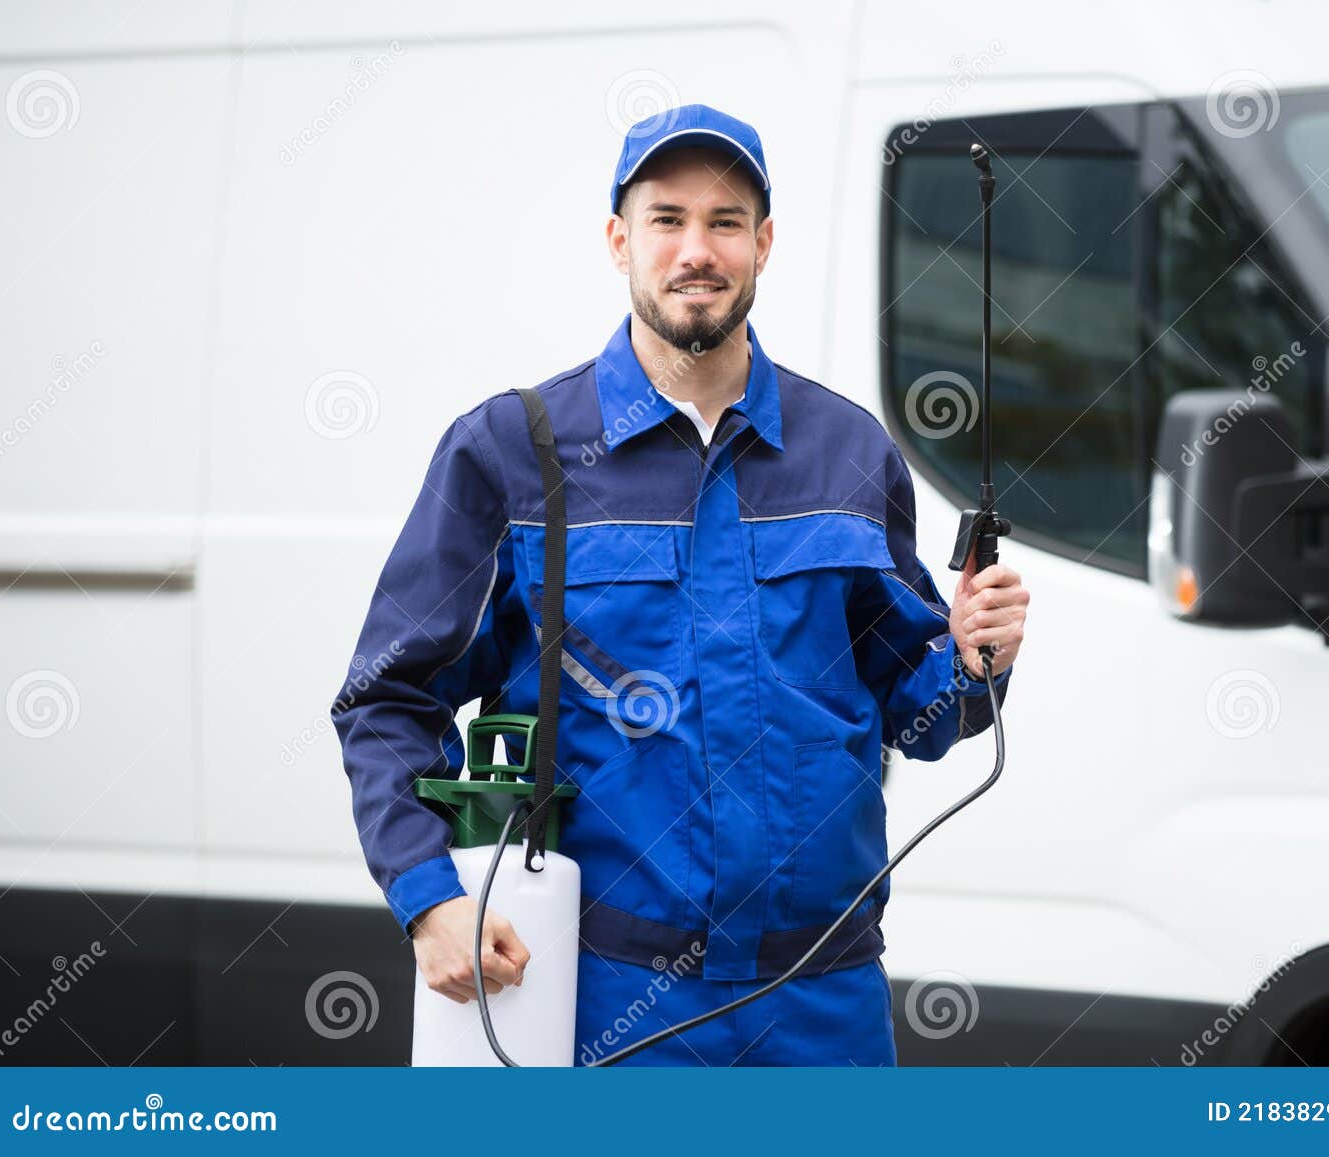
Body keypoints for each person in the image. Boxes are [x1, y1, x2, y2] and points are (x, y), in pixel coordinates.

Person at [331, 103, 1028, 1066]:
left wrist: (972, 659)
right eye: (667, 219)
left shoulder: (849, 453)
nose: (696, 249)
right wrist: (428, 896)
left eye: (726, 221)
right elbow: (388, 697)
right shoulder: (511, 454)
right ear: (620, 240)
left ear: (764, 243)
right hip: (611, 1008)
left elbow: (922, 714)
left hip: (825, 1008)